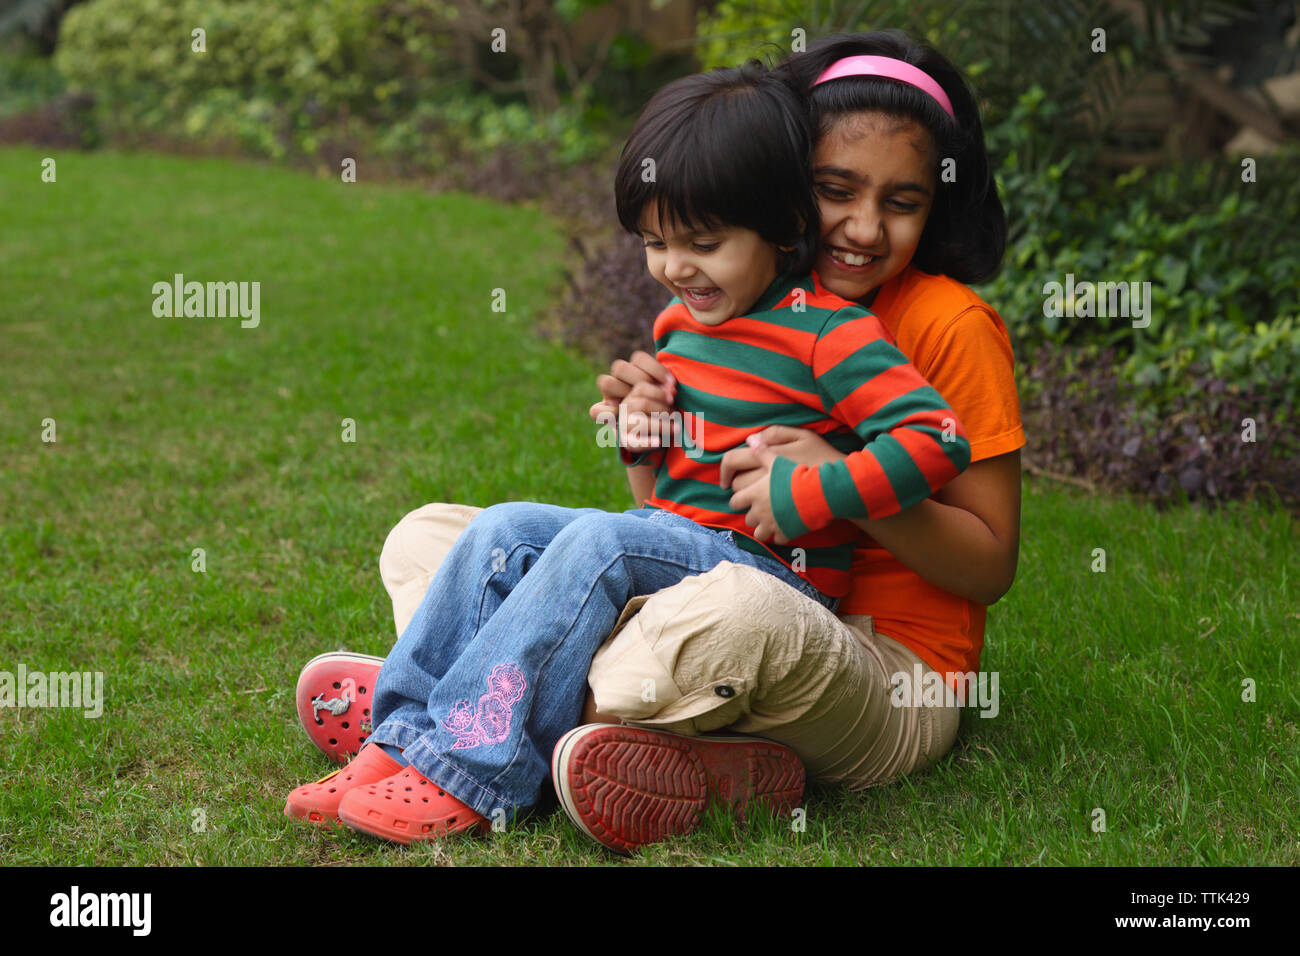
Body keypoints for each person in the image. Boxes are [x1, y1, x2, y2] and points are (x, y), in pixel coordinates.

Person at [282, 57, 972, 846]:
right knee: (502, 529)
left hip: (771, 579)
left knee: (597, 544)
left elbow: (937, 440)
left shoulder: (832, 334)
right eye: (655, 244)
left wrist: (816, 492)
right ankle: (399, 741)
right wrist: (645, 435)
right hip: (679, 542)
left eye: (703, 243)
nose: (676, 268)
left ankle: (471, 770)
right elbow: (672, 489)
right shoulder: (683, 323)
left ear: (784, 228)